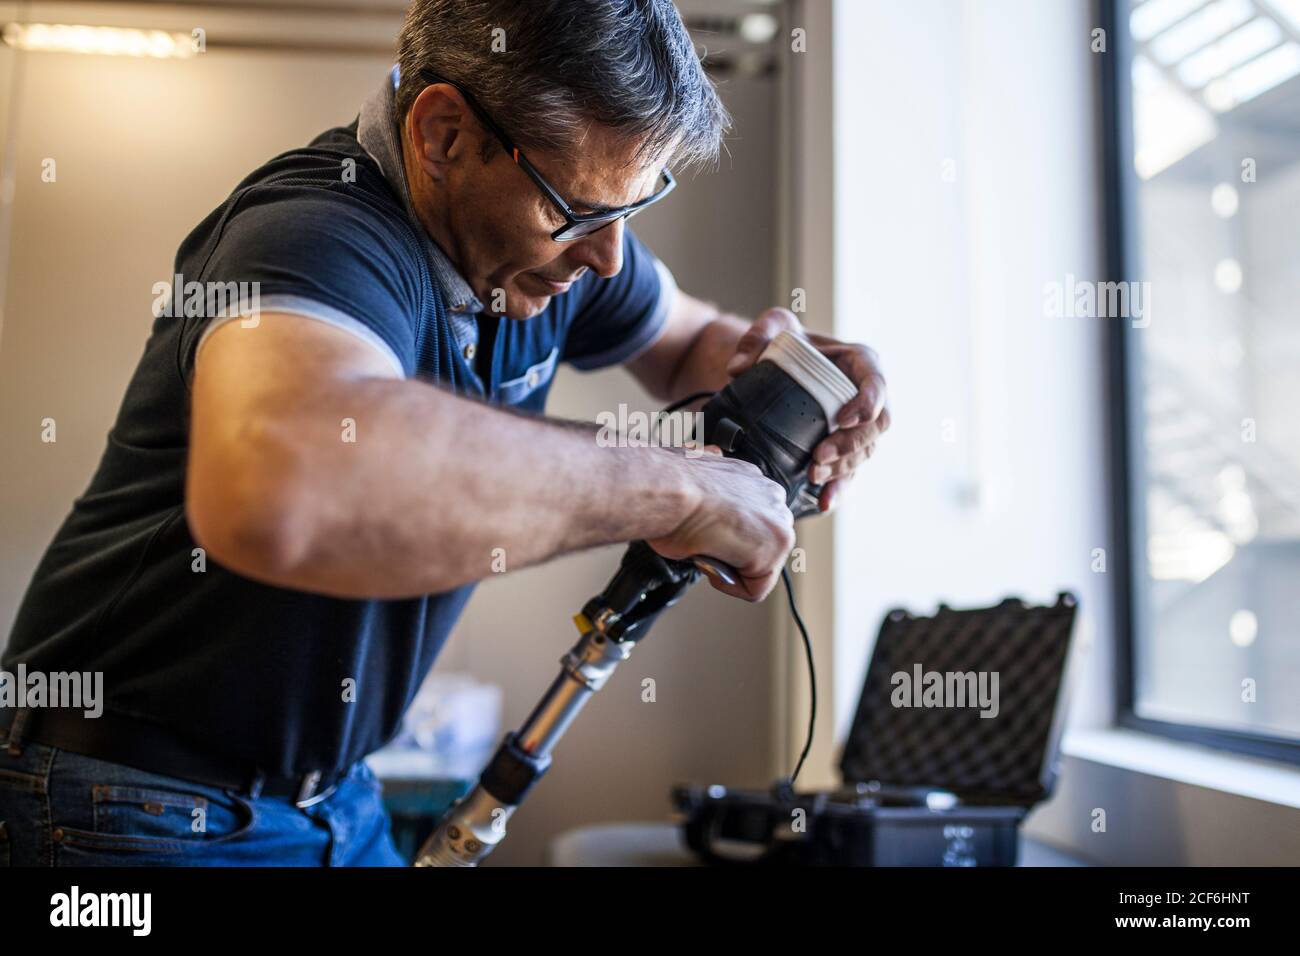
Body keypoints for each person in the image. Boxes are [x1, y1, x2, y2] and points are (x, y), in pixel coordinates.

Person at [0, 0, 888, 866]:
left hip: (333, 796)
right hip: (125, 795)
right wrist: (680, 487)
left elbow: (697, 344)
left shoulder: (560, 248)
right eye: (579, 212)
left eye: (637, 207)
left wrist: (808, 386)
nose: (610, 258)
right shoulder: (316, 233)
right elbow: (286, 485)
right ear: (444, 135)